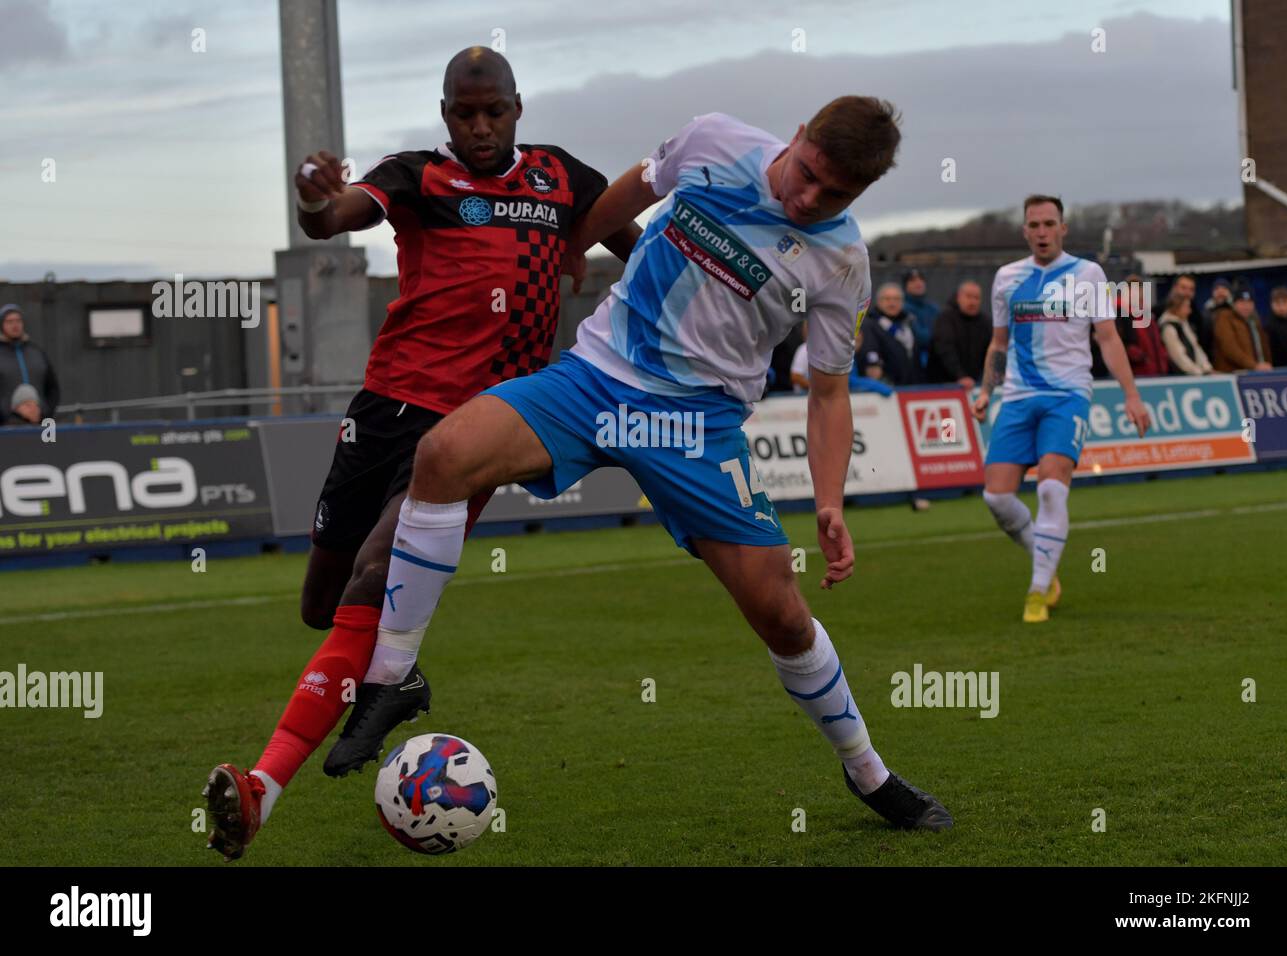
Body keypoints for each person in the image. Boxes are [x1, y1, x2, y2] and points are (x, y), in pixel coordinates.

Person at [227, 96, 951, 852]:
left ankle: (866, 771)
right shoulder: (715, 140)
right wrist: (580, 240)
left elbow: (830, 393)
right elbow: (638, 185)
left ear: (859, 194)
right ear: (796, 136)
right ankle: (395, 676)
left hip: (695, 427)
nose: (807, 197)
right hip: (595, 378)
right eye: (806, 173)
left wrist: (829, 501)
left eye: (832, 193)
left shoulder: (841, 261)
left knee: (782, 614)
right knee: (443, 456)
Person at [204, 47, 640, 861]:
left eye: (494, 112)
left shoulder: (562, 178)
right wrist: (312, 200)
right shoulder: (416, 176)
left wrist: (602, 279)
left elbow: (638, 249)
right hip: (384, 408)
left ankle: (264, 784)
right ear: (446, 115)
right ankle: (383, 668)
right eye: (464, 114)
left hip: (479, 423)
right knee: (325, 604)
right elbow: (337, 218)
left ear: (517, 108)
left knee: (379, 567)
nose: (480, 127)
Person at [972, 195, 1150, 624]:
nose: (1041, 232)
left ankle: (1037, 591)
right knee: (996, 496)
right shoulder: (1007, 278)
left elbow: (1107, 338)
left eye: (1049, 223)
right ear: (1024, 231)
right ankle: (1046, 564)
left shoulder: (1087, 274)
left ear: (1063, 228)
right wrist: (986, 391)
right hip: (1016, 396)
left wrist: (1131, 395)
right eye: (1034, 225)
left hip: (1068, 395)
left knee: (1051, 488)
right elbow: (999, 342)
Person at [0, 305, 60, 424]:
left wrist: (45, 412)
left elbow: (53, 389)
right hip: (6, 427)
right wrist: (6, 414)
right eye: (10, 321)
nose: (15, 325)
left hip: (40, 424)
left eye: (18, 320)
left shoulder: (37, 352)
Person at [928, 281, 992, 388]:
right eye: (968, 297)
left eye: (976, 298)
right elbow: (945, 350)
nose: (973, 302)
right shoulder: (945, 319)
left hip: (974, 383)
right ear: (958, 297)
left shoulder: (985, 322)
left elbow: (991, 351)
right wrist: (960, 375)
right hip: (943, 385)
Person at [871, 282, 924, 384]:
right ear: (878, 301)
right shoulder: (871, 325)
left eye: (896, 299)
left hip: (913, 387)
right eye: (887, 299)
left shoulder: (908, 324)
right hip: (889, 389)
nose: (892, 303)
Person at [1116, 274, 1168, 377]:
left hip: (1155, 372)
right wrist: (1142, 358)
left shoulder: (1147, 315)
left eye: (1138, 289)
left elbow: (1157, 342)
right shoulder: (1120, 314)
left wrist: (1163, 358)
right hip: (1136, 374)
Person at [1212, 287, 1272, 372]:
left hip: (1256, 373)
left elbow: (1264, 349)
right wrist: (1254, 365)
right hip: (1233, 375)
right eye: (1242, 302)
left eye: (1249, 302)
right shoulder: (1225, 317)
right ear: (1234, 303)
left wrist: (1267, 365)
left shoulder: (1254, 321)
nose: (1246, 306)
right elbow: (1230, 348)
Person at [1158, 291, 1213, 376]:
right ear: (1176, 308)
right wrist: (1197, 372)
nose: (1189, 311)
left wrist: (1207, 368)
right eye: (1186, 307)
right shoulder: (1168, 328)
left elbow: (1196, 348)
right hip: (1180, 377)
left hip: (1196, 374)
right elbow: (1178, 357)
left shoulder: (1184, 324)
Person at [902, 267, 938, 366]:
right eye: (912, 280)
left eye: (921, 279)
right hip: (915, 360)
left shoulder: (933, 308)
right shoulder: (903, 309)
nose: (918, 283)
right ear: (906, 285)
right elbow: (921, 338)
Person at [1263, 286, 1287, 368]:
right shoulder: (1267, 327)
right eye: (1277, 303)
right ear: (1271, 305)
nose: (1281, 307)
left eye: (1284, 302)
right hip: (1276, 372)